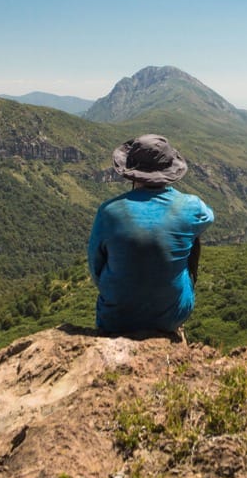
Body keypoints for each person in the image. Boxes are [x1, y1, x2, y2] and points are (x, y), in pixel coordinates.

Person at [87, 134, 215, 337]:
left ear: (131, 172)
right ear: (170, 170)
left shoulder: (108, 211)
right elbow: (209, 217)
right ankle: (172, 321)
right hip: (172, 317)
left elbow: (96, 267)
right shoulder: (191, 206)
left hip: (115, 318)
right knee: (192, 236)